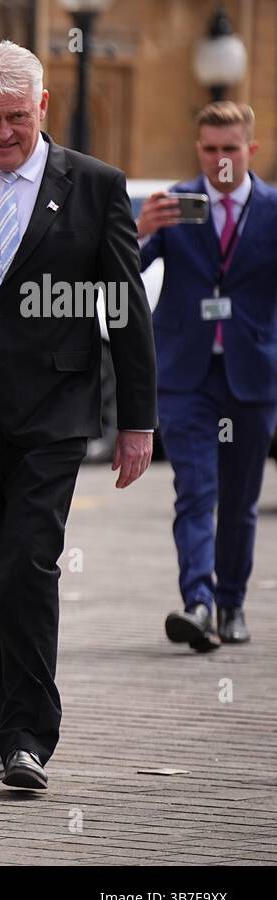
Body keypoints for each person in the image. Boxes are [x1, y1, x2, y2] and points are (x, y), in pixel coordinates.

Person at [0, 40, 157, 791]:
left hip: (52, 409)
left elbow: (125, 309)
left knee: (24, 563)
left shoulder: (96, 186)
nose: (4, 133)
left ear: (43, 108)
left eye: (16, 117)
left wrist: (138, 420)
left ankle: (30, 737)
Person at [138, 101, 277, 653]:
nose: (220, 160)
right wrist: (138, 230)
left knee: (240, 500)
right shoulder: (175, 206)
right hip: (186, 376)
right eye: (210, 149)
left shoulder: (271, 209)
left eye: (231, 149)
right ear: (199, 149)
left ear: (251, 149)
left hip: (252, 376)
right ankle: (197, 601)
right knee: (195, 492)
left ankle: (233, 603)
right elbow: (125, 269)